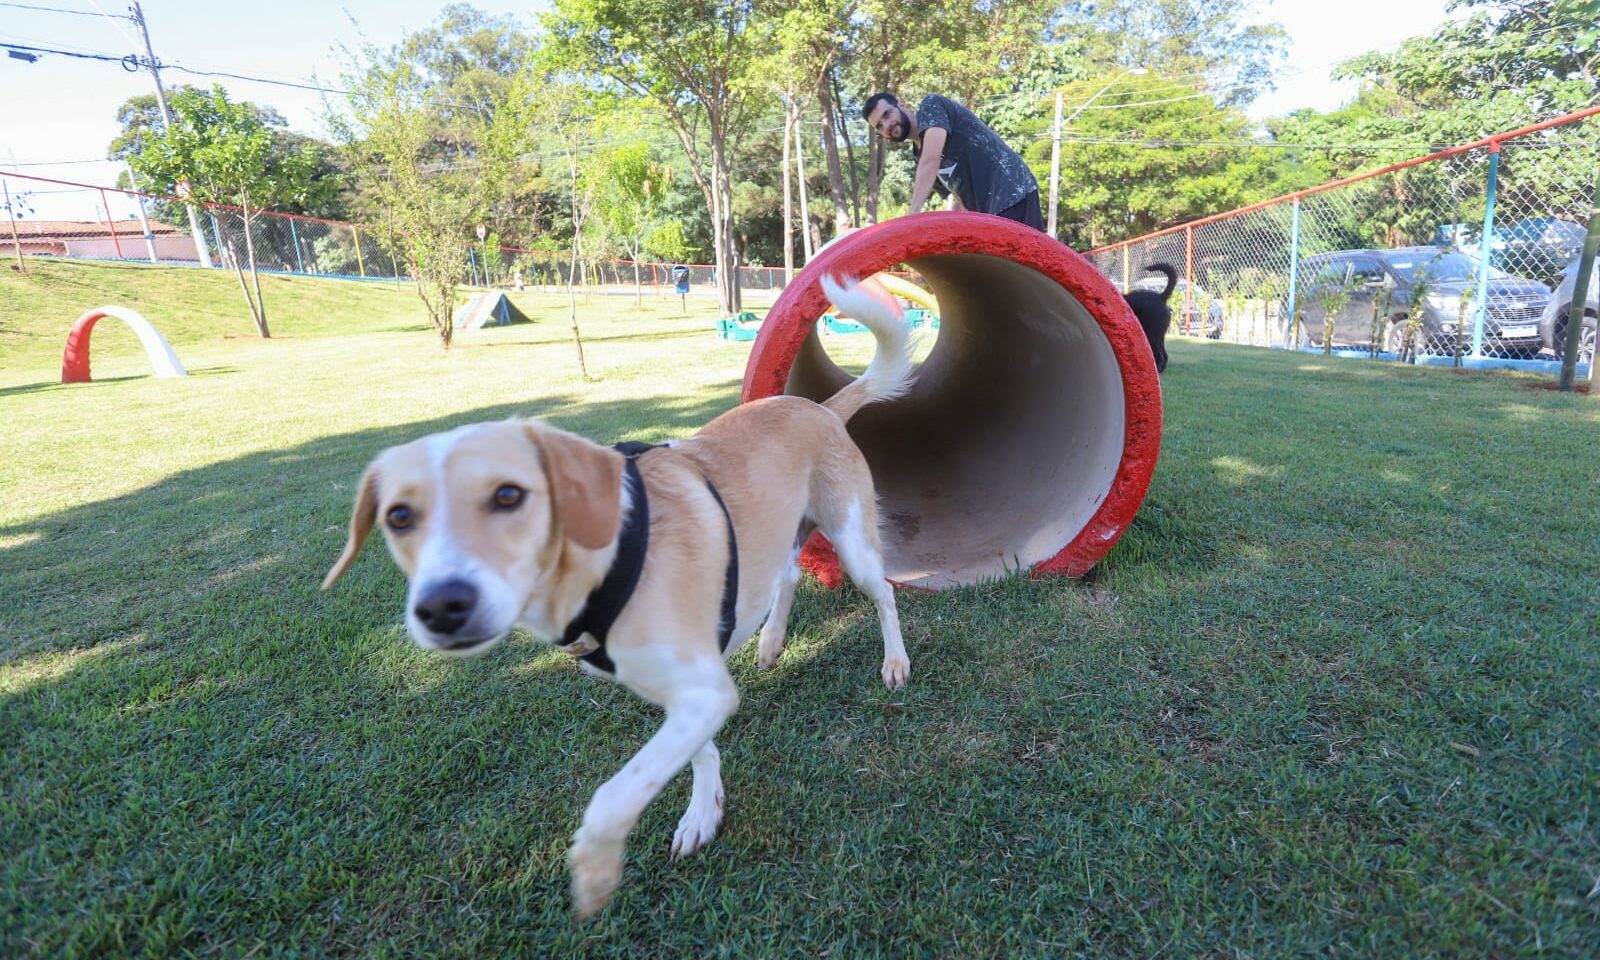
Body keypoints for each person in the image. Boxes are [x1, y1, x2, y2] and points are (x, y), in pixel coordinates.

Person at [861, 91, 1043, 231]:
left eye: (886, 115)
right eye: (879, 126)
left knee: (1025, 271)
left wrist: (911, 216)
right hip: (990, 214)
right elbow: (958, 199)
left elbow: (930, 161)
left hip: (1011, 191)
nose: (886, 126)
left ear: (901, 104)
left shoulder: (931, 106)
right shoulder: (918, 156)